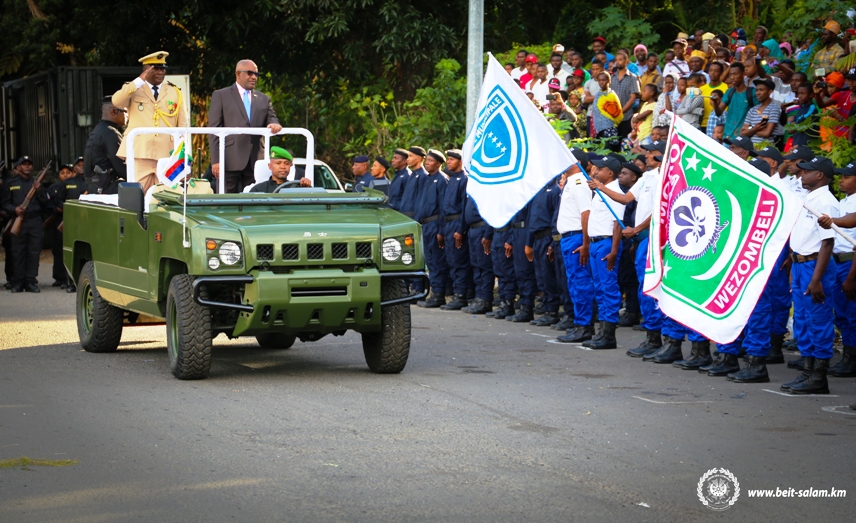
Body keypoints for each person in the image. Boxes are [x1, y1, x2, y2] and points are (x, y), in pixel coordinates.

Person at [588, 142, 665, 356]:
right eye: (648, 151)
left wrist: (637, 228)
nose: (648, 155)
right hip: (640, 239)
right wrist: (601, 187)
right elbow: (625, 198)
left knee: (651, 288)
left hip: (652, 236)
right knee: (643, 288)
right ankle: (652, 338)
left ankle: (658, 339)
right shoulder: (647, 177)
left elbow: (661, 209)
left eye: (653, 152)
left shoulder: (665, 177)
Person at [780, 156, 838, 394]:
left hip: (816, 266)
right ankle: (807, 371)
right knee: (803, 319)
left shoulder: (826, 201)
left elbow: (827, 244)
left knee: (819, 320)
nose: (801, 175)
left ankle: (819, 376)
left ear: (820, 175)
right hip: (801, 264)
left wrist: (816, 279)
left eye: (807, 171)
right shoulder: (808, 198)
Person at [112, 51, 188, 193]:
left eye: (163, 69)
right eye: (156, 68)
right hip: (140, 152)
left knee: (168, 196)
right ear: (146, 70)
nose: (160, 72)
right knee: (138, 197)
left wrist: (182, 154)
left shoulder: (174, 91)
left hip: (167, 153)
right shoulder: (133, 88)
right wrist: (139, 81)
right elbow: (116, 101)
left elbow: (182, 125)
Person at [208, 60, 282, 193]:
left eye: (256, 74)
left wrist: (274, 123)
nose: (254, 77)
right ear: (238, 74)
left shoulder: (264, 99)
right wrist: (216, 160)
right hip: (229, 159)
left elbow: (271, 117)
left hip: (255, 159)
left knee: (254, 203)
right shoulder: (221, 95)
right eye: (249, 73)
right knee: (227, 204)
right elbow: (214, 130)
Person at [578, 155, 625, 349]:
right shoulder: (599, 190)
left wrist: (614, 250)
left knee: (608, 288)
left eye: (601, 169)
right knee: (599, 287)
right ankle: (601, 332)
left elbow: (617, 224)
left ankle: (609, 334)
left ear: (610, 173)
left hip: (607, 243)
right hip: (597, 243)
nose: (596, 171)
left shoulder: (614, 191)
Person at [817, 163, 856, 377]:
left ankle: (852, 358)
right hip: (839, 261)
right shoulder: (843, 201)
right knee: (843, 314)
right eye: (840, 176)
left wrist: (851, 277)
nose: (841, 180)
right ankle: (848, 356)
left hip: (850, 262)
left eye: (847, 176)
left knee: (851, 314)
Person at [1, 156, 50, 293]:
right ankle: (18, 282)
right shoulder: (10, 183)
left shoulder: (37, 183)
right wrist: (14, 209)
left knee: (33, 252)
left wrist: (40, 190)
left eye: (29, 164)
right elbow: (5, 203)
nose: (27, 166)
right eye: (24, 164)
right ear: (18, 167)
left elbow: (47, 204)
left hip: (34, 221)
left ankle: (31, 282)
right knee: (18, 252)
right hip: (19, 220)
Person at [415, 150, 449, 308]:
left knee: (437, 261)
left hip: (435, 225)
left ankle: (438, 294)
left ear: (438, 163)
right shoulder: (426, 179)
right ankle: (433, 292)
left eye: (430, 160)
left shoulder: (442, 180)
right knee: (429, 260)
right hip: (425, 225)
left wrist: (441, 230)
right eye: (426, 160)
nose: (427, 163)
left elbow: (443, 208)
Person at [526, 175, 562, 326]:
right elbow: (532, 220)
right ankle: (547, 309)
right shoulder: (539, 191)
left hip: (548, 237)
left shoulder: (555, 190)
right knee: (542, 276)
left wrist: (553, 242)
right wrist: (530, 243)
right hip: (538, 238)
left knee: (549, 277)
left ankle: (553, 311)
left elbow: (556, 217)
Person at [440, 149, 471, 311]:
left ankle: (461, 295)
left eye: (452, 159)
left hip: (457, 223)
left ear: (460, 161)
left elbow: (464, 208)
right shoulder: (452, 179)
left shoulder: (464, 179)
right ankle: (457, 293)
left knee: (459, 262)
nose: (448, 162)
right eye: (448, 159)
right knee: (451, 261)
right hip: (448, 224)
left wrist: (460, 229)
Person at [50, 164, 86, 291]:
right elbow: (58, 201)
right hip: (70, 221)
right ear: (74, 168)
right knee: (71, 250)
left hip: (86, 221)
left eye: (83, 165)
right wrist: (70, 210)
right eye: (79, 165)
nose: (81, 167)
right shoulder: (67, 183)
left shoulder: (91, 181)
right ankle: (70, 282)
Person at [84, 97, 128, 194]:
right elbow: (121, 168)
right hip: (106, 189)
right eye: (125, 111)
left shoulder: (98, 130)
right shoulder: (110, 133)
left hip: (96, 187)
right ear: (113, 111)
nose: (127, 115)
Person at [461, 193, 494, 315]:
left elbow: (491, 213)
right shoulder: (472, 189)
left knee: (485, 266)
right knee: (476, 265)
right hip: (472, 229)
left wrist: (487, 234)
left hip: (482, 229)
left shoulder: (485, 188)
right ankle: (479, 297)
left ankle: (485, 299)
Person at [713, 61, 758, 141]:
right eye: (730, 75)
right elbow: (719, 112)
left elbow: (758, 114)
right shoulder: (729, 92)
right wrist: (715, 103)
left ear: (743, 74)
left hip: (743, 138)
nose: (732, 77)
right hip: (727, 136)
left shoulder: (752, 92)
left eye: (735, 74)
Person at [741, 77, 783, 144]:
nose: (758, 93)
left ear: (770, 91)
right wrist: (755, 129)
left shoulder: (774, 109)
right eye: (757, 90)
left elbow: (767, 133)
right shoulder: (752, 110)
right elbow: (742, 133)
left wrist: (750, 129)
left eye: (761, 90)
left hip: (765, 149)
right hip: (751, 149)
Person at [611, 52, 640, 138]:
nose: (618, 62)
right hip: (612, 117)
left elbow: (633, 98)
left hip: (626, 116)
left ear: (626, 61)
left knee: (625, 142)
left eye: (620, 60)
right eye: (616, 60)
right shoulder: (612, 78)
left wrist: (621, 112)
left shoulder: (633, 78)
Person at [592, 72, 623, 151]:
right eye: (599, 80)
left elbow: (617, 113)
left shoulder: (611, 95)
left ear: (609, 81)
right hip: (599, 129)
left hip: (609, 129)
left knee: (608, 151)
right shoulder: (598, 94)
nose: (601, 82)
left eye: (604, 80)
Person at [700, 62, 726, 136]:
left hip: (720, 126)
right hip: (704, 125)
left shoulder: (727, 88)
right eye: (711, 70)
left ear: (721, 73)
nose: (713, 73)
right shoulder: (701, 89)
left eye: (716, 71)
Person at [583, 60, 605, 135]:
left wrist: (590, 97)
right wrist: (599, 96)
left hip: (604, 115)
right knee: (592, 140)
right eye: (593, 69)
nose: (595, 71)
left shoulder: (606, 83)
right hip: (590, 114)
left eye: (597, 69)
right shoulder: (588, 83)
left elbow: (605, 98)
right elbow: (585, 99)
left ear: (602, 69)